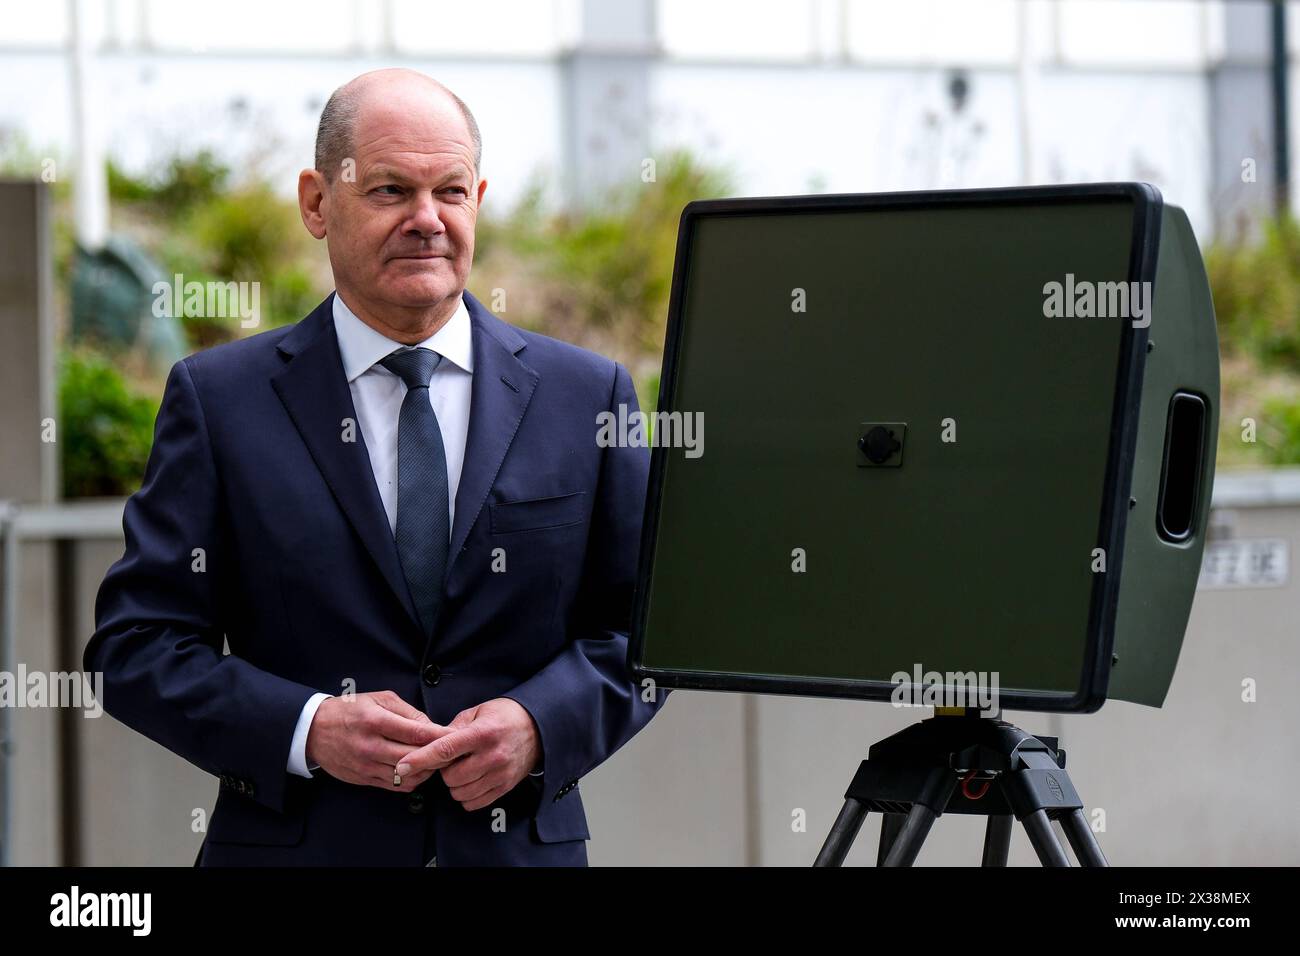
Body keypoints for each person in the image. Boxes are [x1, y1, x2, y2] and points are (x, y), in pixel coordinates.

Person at [85, 68, 669, 866]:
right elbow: (135, 647)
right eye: (391, 190)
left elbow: (649, 636)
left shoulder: (587, 396)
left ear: (479, 199)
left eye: (451, 192)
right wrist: (309, 729)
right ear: (318, 203)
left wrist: (541, 726)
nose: (426, 220)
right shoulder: (220, 402)